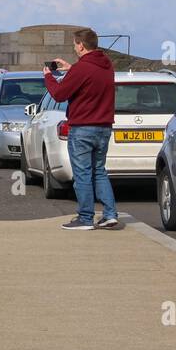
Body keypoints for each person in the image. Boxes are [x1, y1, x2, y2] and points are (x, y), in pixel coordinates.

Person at [45, 27, 117, 231]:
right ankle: (110, 214)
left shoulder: (81, 69)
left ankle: (85, 218)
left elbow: (59, 94)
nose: (75, 48)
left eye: (75, 45)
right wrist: (71, 68)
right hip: (104, 127)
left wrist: (49, 77)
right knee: (99, 171)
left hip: (83, 127)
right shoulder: (107, 65)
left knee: (83, 173)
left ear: (81, 45)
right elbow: (88, 76)